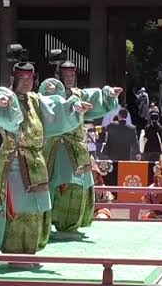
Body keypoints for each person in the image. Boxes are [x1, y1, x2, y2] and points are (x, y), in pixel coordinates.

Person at [0, 59, 85, 267]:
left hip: (35, 160)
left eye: (29, 78)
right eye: (21, 78)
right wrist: (2, 102)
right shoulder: (7, 97)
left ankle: (29, 251)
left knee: (36, 207)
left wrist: (75, 107)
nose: (26, 82)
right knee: (15, 206)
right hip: (13, 160)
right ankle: (14, 253)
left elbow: (56, 106)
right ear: (13, 80)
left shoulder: (35, 100)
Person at [44, 62, 121, 240]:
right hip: (57, 146)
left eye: (72, 74)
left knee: (80, 186)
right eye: (66, 74)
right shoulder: (52, 94)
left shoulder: (79, 94)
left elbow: (96, 97)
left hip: (77, 146)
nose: (70, 77)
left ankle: (71, 225)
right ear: (59, 76)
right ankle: (51, 222)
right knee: (56, 184)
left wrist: (109, 94)